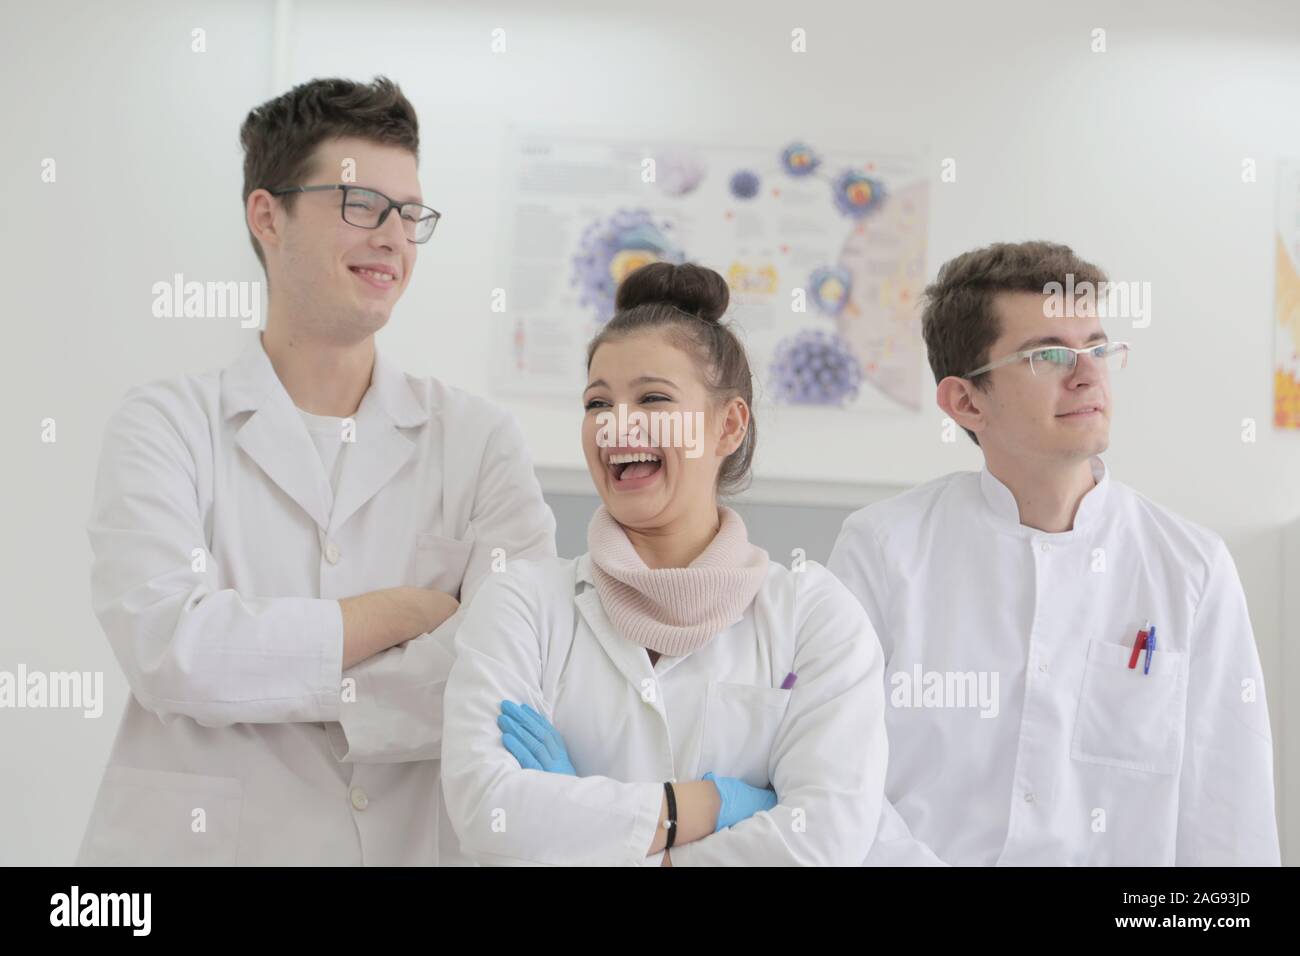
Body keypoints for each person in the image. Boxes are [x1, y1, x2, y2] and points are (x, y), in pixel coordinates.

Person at [77, 77, 556, 866]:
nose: (394, 238)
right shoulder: (164, 426)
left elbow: (518, 667)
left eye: (408, 213)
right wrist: (403, 613)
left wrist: (261, 672)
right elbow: (172, 651)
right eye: (361, 203)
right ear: (268, 215)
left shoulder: (477, 440)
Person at [828, 240, 1280, 865]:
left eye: (1097, 348)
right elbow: (837, 775)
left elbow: (1230, 809)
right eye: (1049, 355)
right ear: (966, 401)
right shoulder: (883, 548)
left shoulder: (1192, 567)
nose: (1088, 372)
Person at [440, 262, 887, 865]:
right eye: (597, 402)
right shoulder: (522, 604)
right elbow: (489, 817)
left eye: (652, 397)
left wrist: (581, 818)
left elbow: (824, 840)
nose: (616, 425)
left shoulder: (813, 615)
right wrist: (699, 807)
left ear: (728, 425)